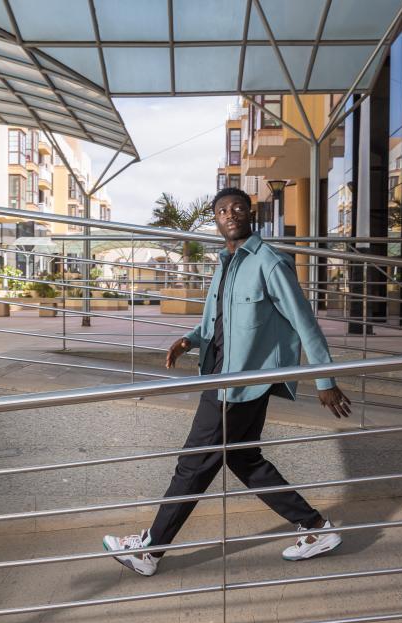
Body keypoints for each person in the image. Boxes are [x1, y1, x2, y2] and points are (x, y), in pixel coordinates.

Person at [103, 187, 352, 576]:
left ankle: (150, 550)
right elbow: (218, 320)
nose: (230, 214)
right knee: (244, 459)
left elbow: (305, 323)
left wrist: (324, 381)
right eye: (222, 210)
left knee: (193, 464)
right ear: (216, 220)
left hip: (238, 386)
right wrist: (190, 339)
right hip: (221, 375)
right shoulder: (225, 263)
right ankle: (316, 527)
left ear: (250, 215)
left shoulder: (270, 263)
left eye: (238, 208)